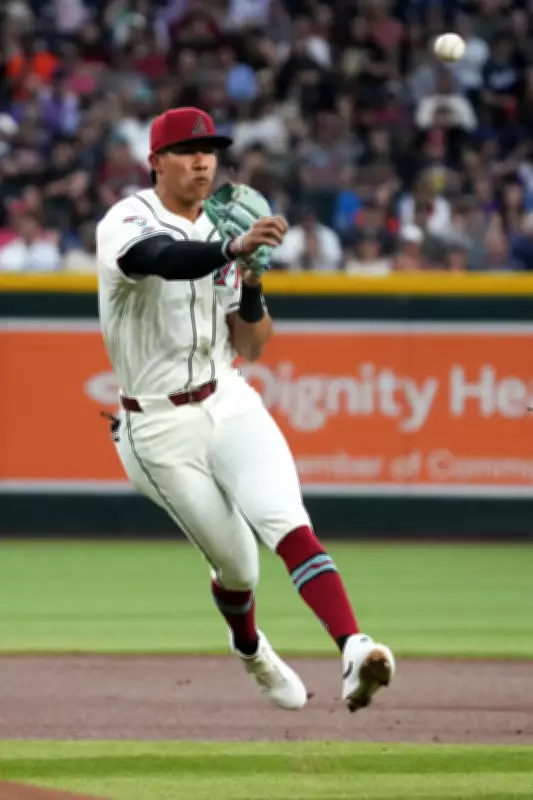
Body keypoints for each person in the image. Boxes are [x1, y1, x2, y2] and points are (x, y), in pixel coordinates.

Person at [96, 106, 395, 714]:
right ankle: (251, 649)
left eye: (210, 149)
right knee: (239, 569)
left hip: (226, 396)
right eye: (186, 150)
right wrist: (231, 247)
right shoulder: (126, 219)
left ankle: (353, 646)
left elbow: (253, 344)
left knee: (286, 520)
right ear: (156, 161)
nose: (203, 159)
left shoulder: (223, 226)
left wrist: (251, 280)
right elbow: (160, 258)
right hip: (156, 427)